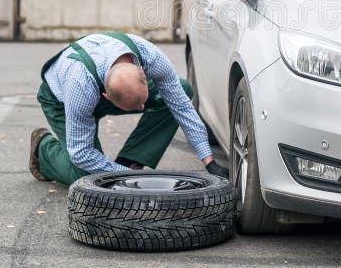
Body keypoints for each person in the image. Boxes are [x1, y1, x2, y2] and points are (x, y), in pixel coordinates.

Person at [28, 31, 227, 185]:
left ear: (141, 71)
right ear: (106, 96)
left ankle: (130, 160)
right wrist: (122, 177)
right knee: (85, 175)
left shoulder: (149, 56)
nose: (141, 108)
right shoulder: (80, 83)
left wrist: (209, 161)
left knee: (180, 89)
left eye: (141, 101)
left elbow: (182, 106)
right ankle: (43, 149)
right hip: (61, 99)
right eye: (135, 106)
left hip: (100, 86)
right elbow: (81, 153)